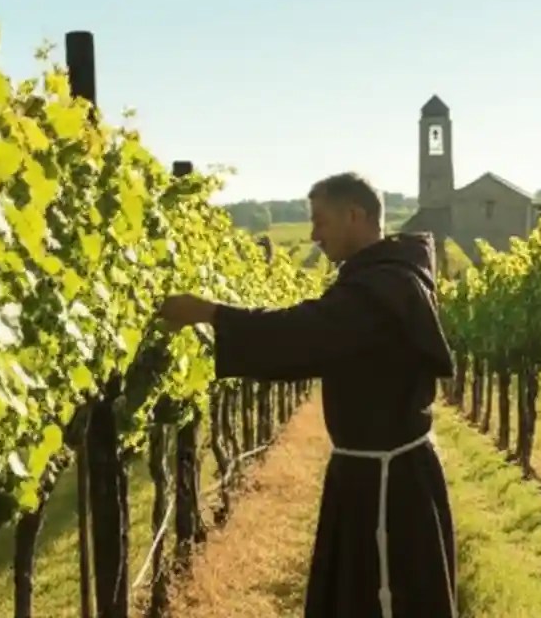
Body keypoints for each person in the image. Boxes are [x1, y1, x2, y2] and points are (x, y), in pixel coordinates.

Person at [157, 172, 458, 618]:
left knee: (385, 598)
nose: (313, 235)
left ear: (355, 216)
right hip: (377, 476)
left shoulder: (381, 290)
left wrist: (209, 313)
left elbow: (301, 334)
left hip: (386, 488)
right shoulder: (383, 279)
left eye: (320, 222)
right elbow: (310, 349)